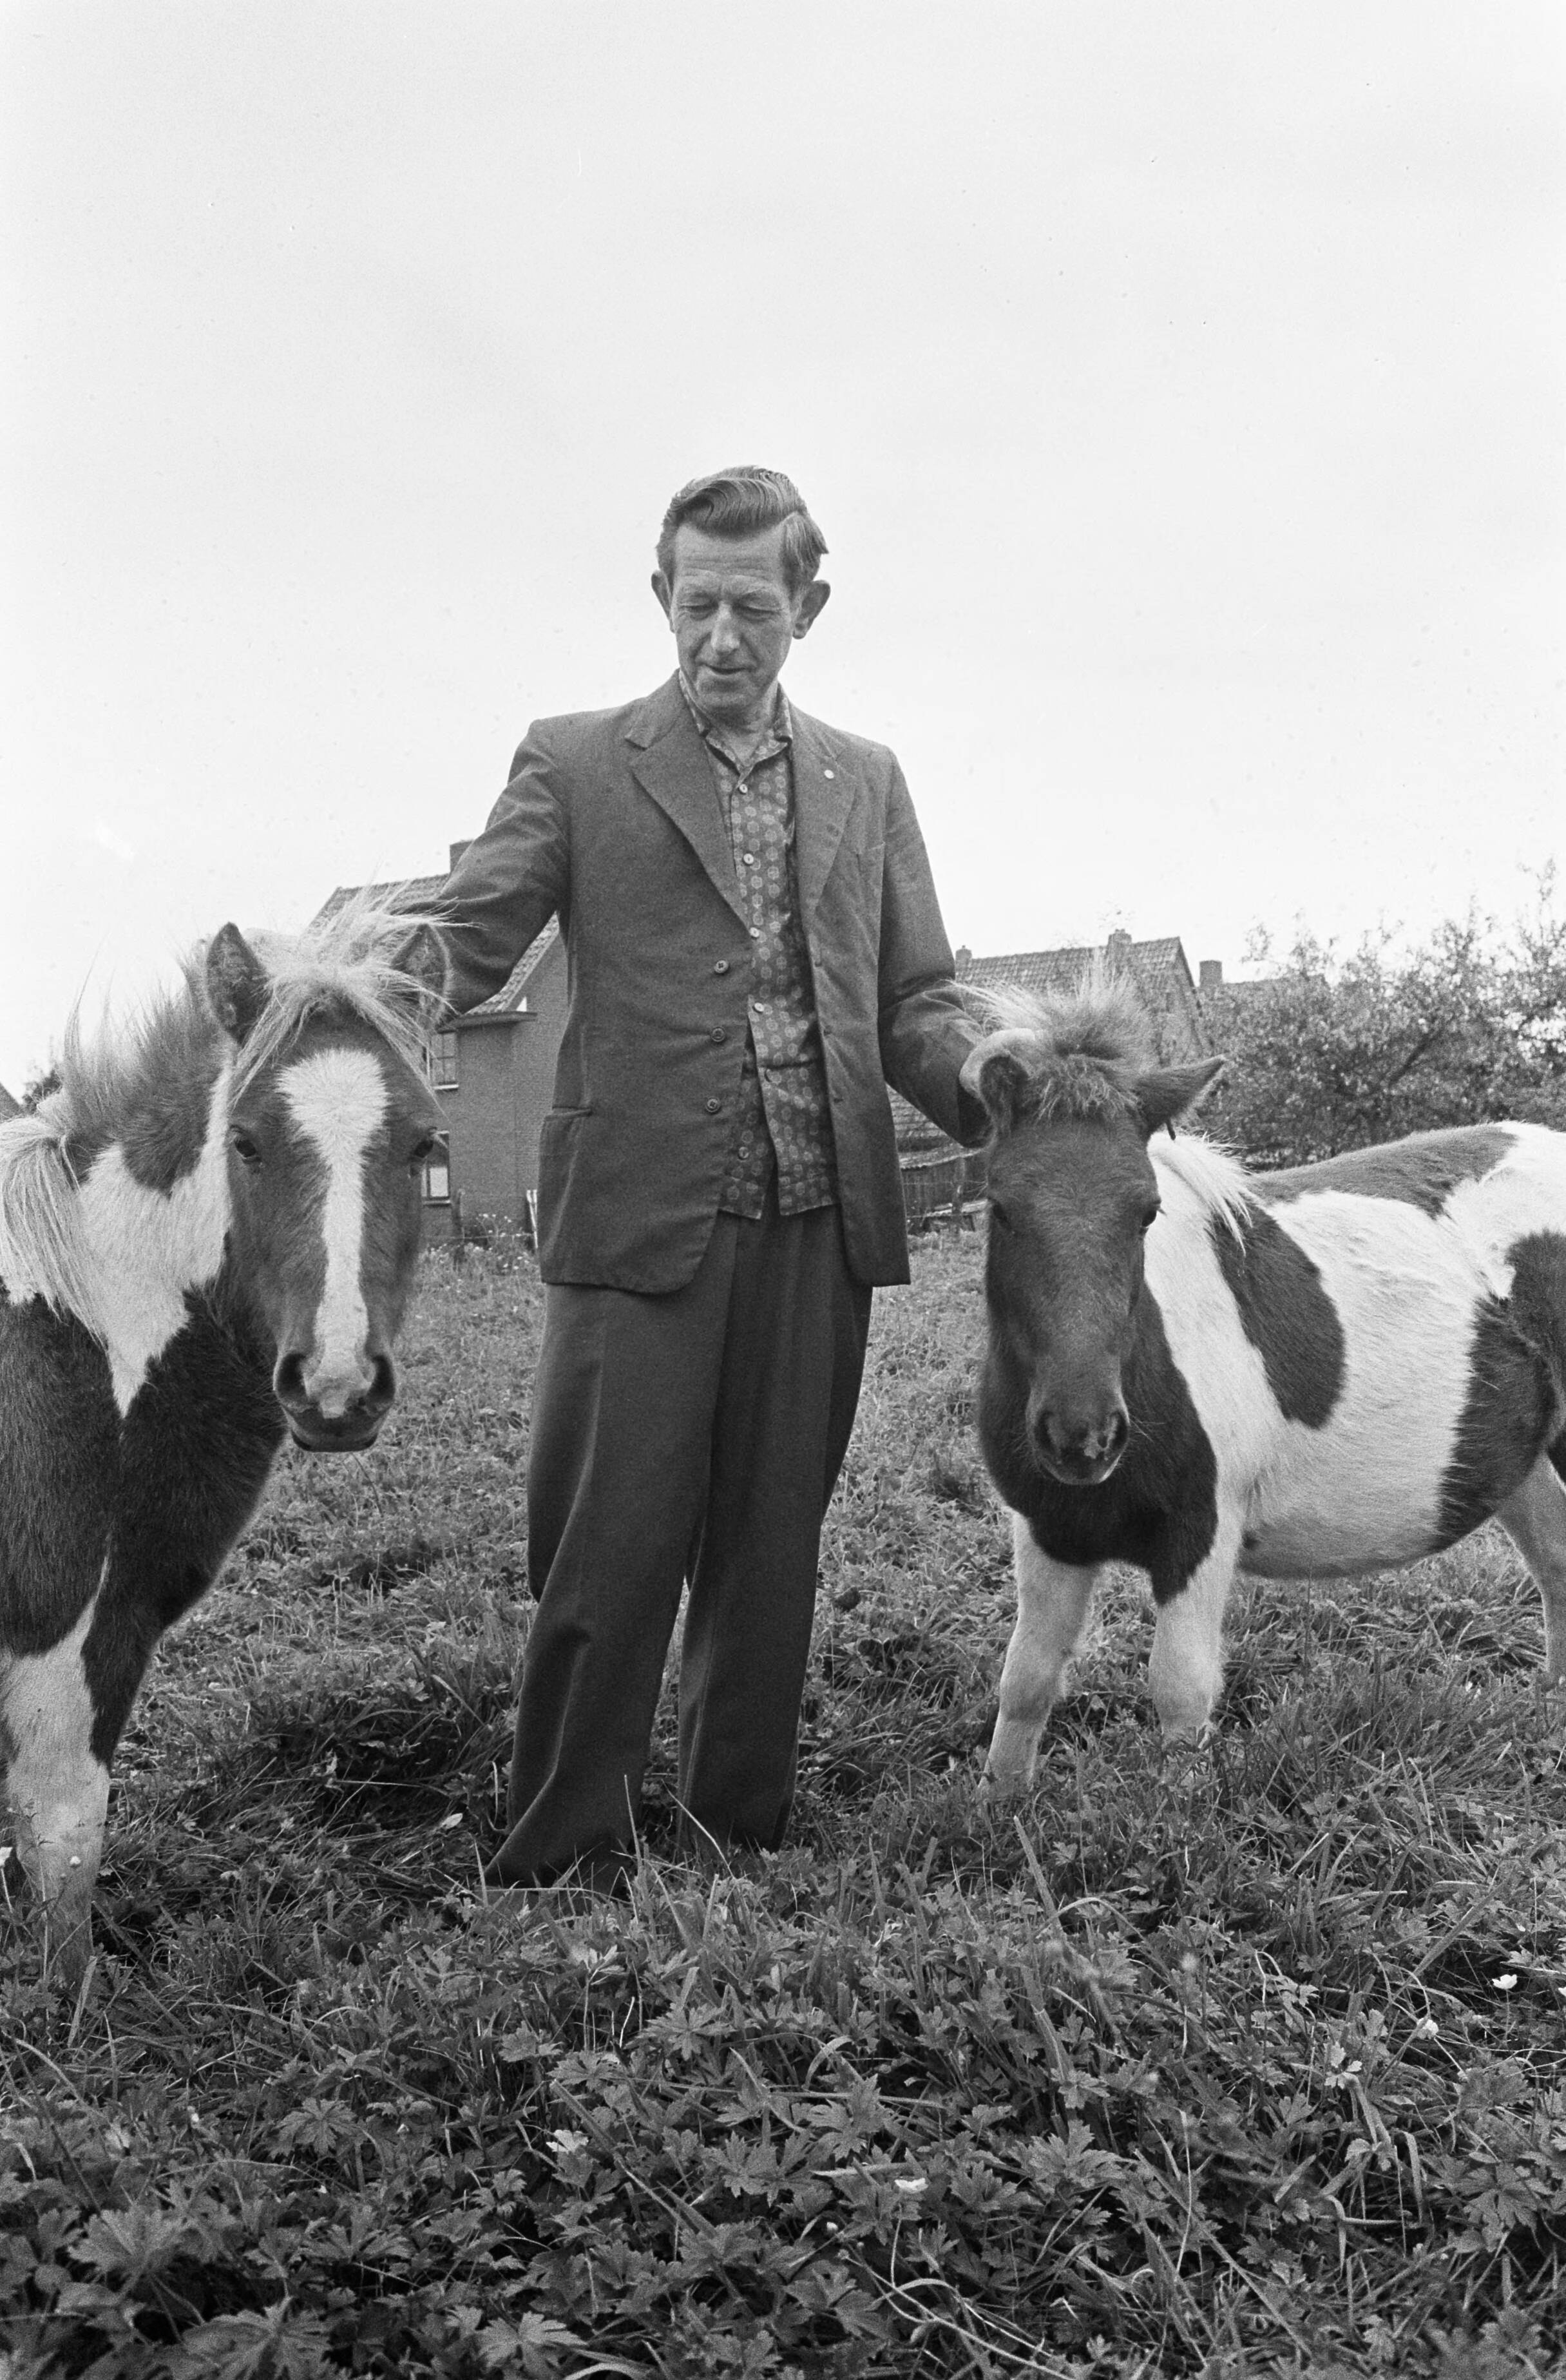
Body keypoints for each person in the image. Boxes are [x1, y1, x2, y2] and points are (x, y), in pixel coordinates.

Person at [439, 465, 983, 1894]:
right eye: (697, 603)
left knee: (768, 1555)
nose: (721, 635)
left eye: (753, 605)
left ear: (806, 604)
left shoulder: (868, 778)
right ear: (661, 596)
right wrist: (312, 1008)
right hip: (635, 1226)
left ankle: (733, 1839)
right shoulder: (572, 759)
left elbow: (917, 998)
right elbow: (463, 942)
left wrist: (1007, 1083)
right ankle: (564, 1850)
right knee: (603, 1556)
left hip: (817, 1217)